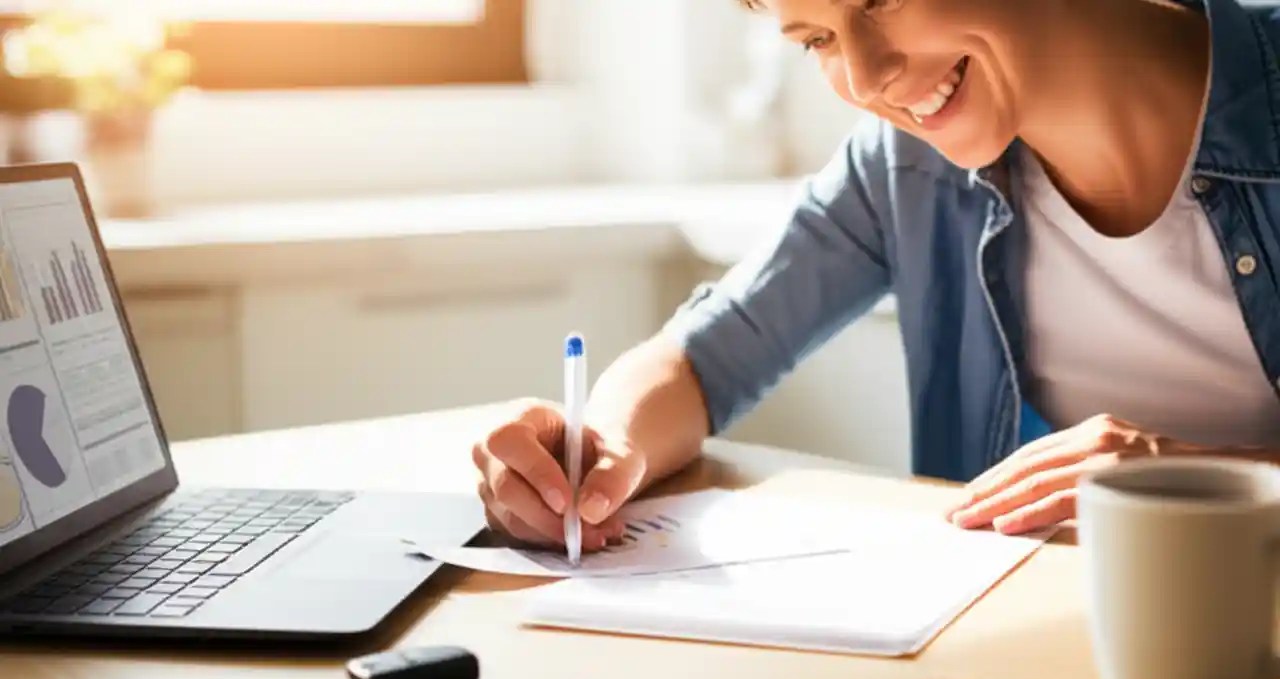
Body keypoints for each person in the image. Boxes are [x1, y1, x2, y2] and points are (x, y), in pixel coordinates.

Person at [472, 0, 1280, 550]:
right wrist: (599, 447)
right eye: (817, 39)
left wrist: (1202, 480)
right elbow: (703, 357)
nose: (863, 77)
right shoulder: (903, 170)